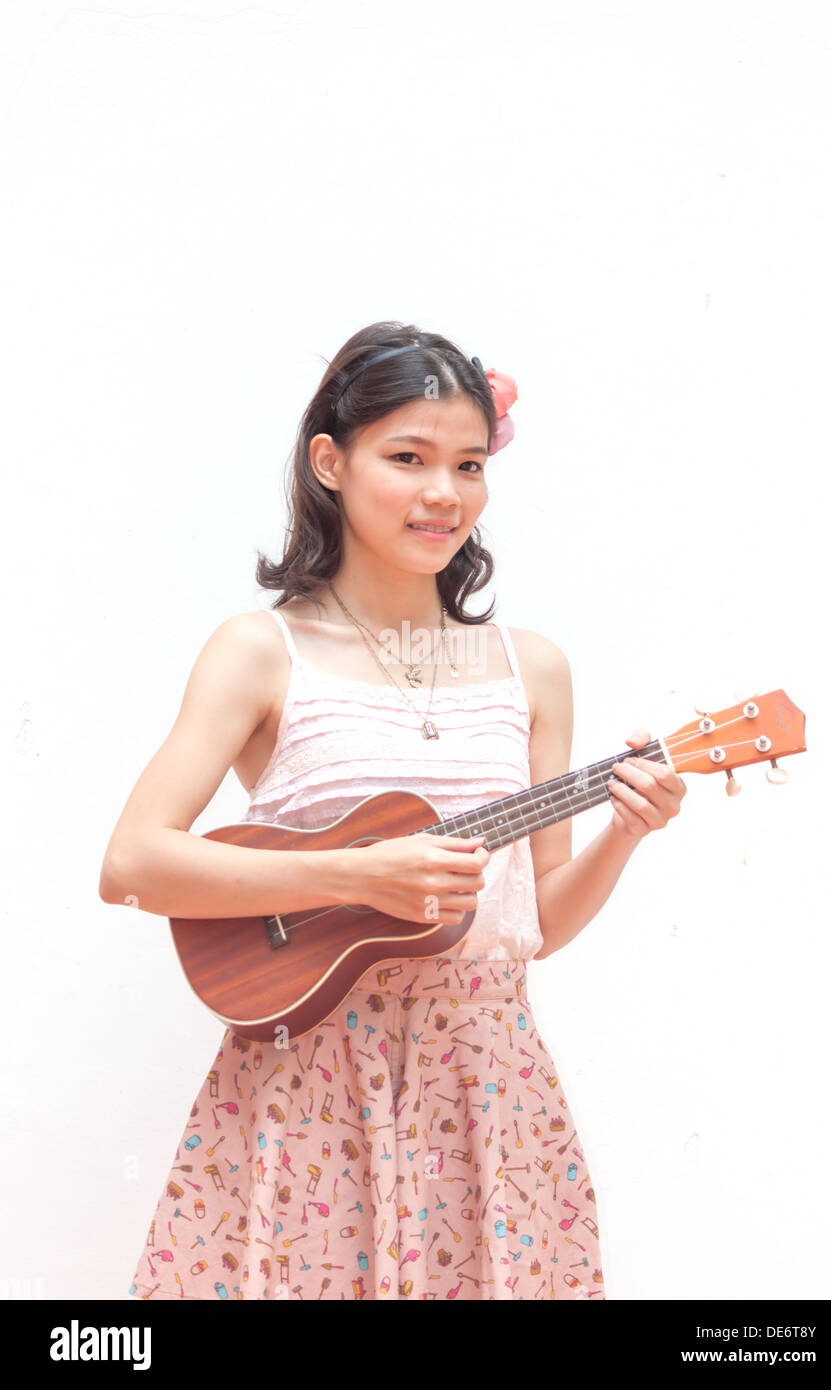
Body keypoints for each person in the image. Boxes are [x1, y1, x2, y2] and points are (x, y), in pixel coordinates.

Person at [100, 320, 687, 1301]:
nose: (442, 493)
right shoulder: (260, 650)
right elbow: (132, 863)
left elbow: (534, 926)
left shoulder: (529, 668)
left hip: (484, 1077)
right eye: (407, 457)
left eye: (467, 463)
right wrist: (350, 873)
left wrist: (625, 828)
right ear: (330, 461)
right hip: (309, 1068)